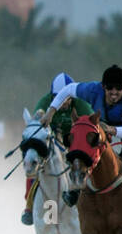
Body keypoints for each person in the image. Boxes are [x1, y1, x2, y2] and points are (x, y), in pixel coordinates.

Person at [40, 64, 122, 211]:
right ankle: (75, 191)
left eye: (119, 89)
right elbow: (67, 90)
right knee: (85, 151)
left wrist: (110, 130)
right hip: (103, 122)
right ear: (103, 87)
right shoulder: (92, 90)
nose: (114, 92)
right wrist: (50, 112)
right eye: (110, 88)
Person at [21, 71, 95, 225]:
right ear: (52, 96)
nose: (61, 102)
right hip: (53, 140)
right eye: (56, 97)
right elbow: (38, 120)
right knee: (36, 164)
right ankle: (29, 207)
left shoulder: (81, 104)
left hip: (75, 141)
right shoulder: (45, 102)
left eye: (66, 98)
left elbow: (90, 126)